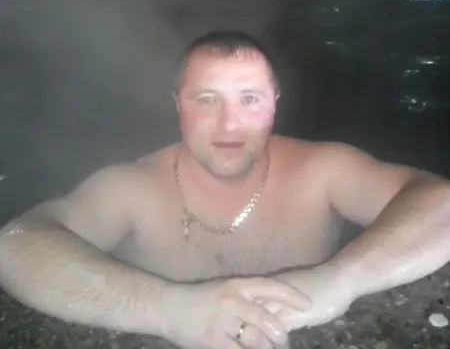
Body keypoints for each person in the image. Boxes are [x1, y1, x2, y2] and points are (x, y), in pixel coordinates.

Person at [0, 30, 449, 349]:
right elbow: (16, 246)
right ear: (179, 106)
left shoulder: (322, 169)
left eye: (249, 99)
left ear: (274, 105)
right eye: (207, 100)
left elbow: (440, 201)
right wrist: (168, 310)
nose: (229, 124)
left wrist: (343, 278)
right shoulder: (132, 188)